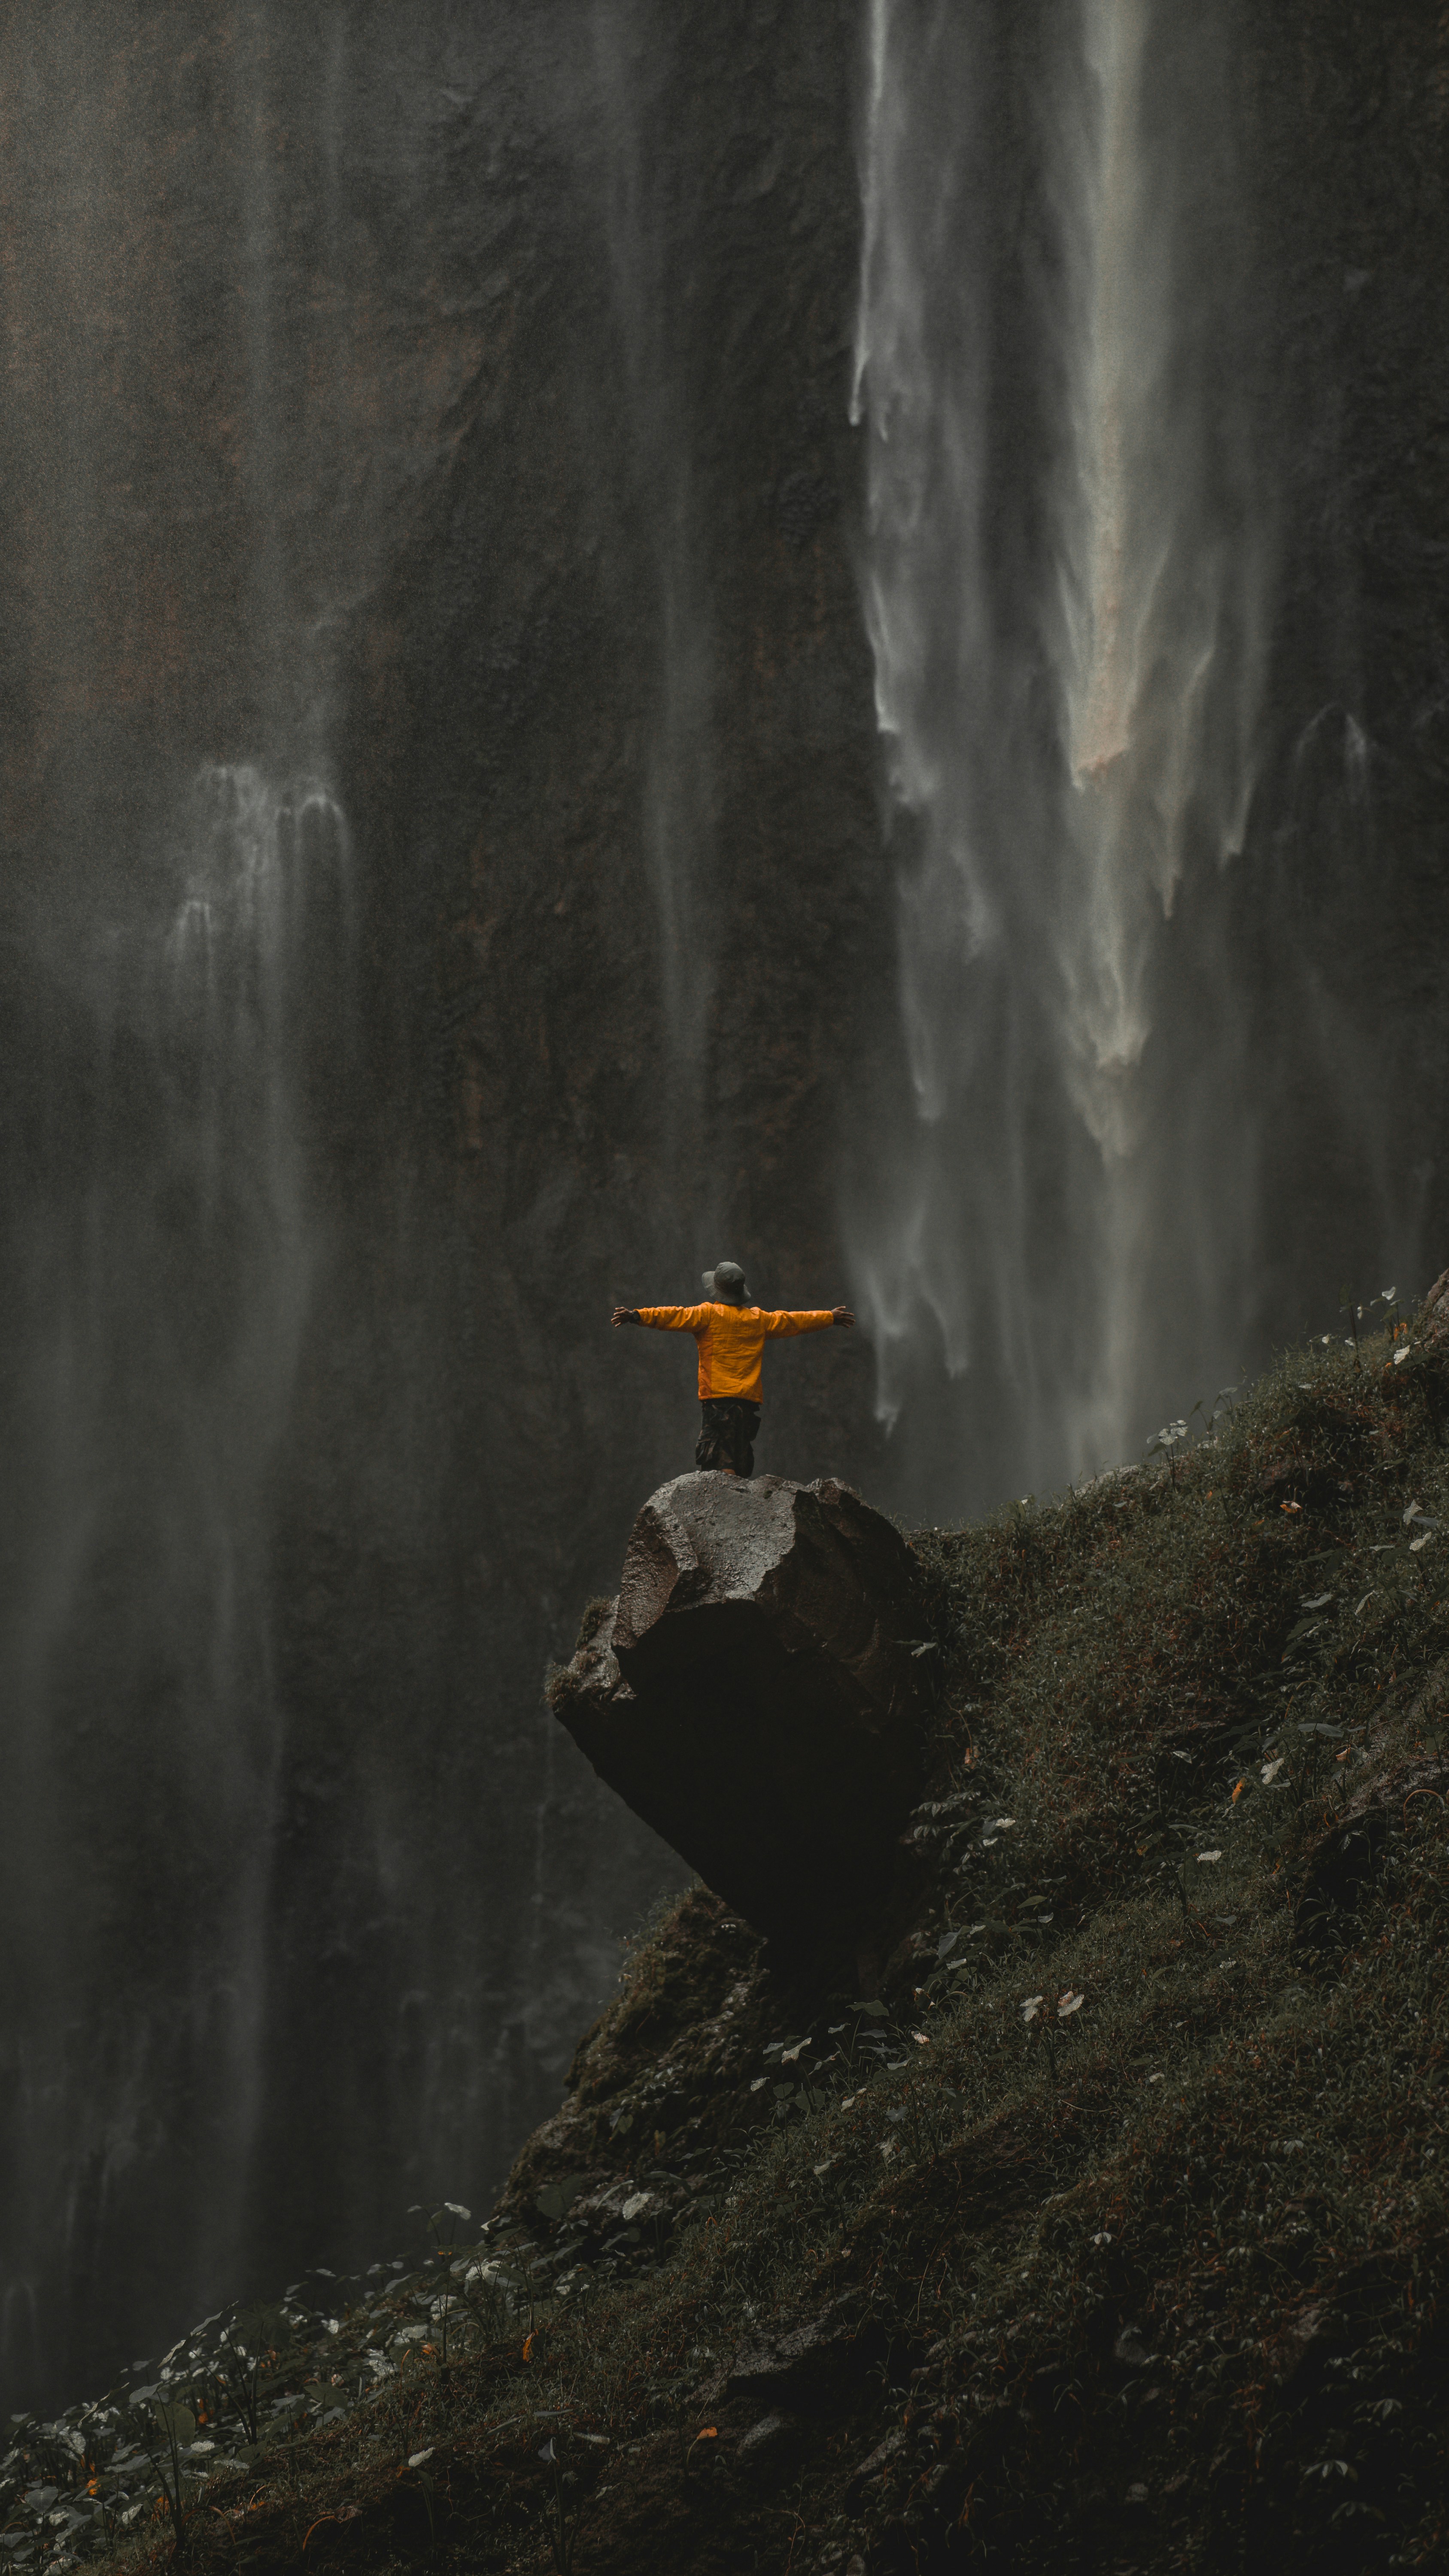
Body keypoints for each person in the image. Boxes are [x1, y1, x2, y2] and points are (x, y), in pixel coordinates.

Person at [612, 1261, 856, 1476]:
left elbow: (673, 1316)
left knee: (718, 1456)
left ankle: (726, 1514)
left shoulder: (708, 1314)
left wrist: (637, 1316)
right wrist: (829, 1317)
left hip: (719, 1400)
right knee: (739, 1456)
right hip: (748, 1402)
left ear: (717, 1291)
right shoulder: (759, 1320)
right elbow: (793, 1321)